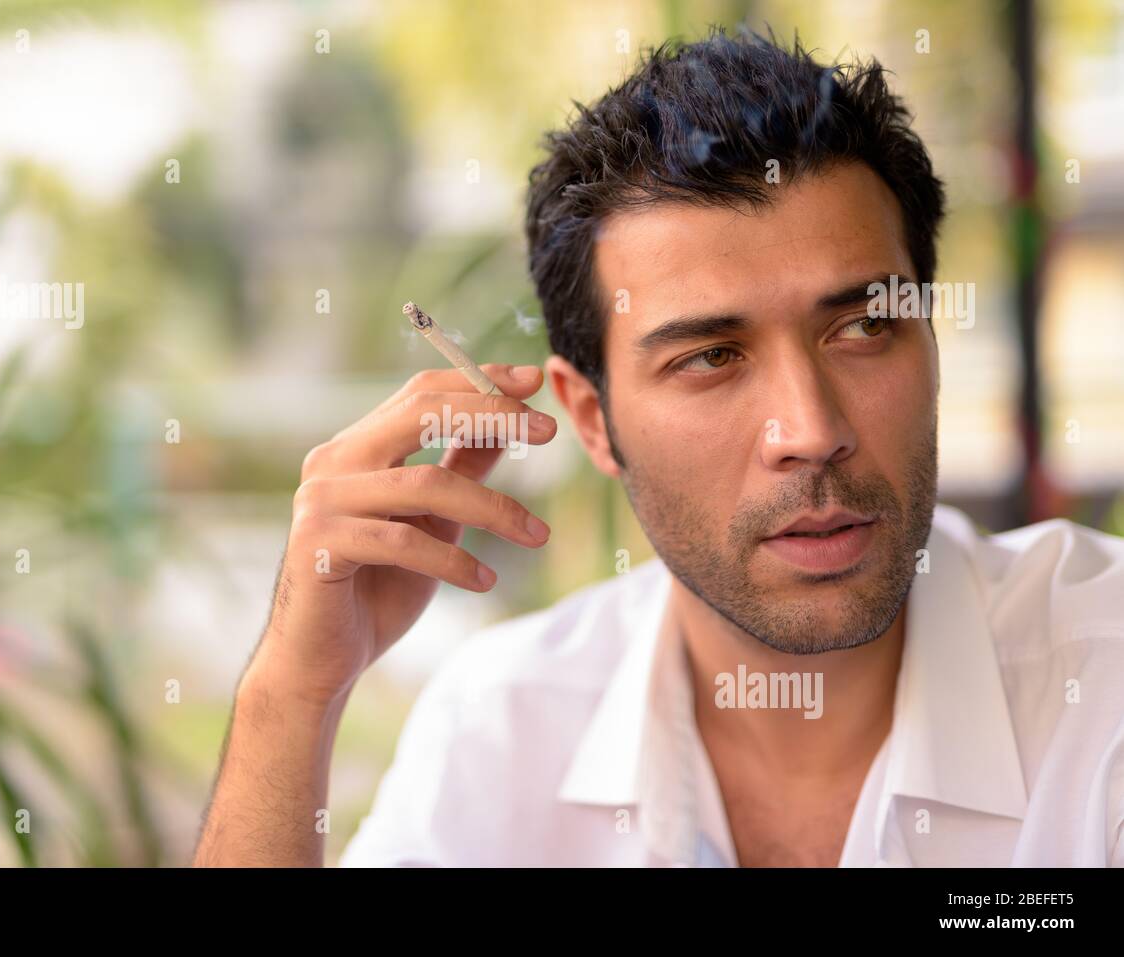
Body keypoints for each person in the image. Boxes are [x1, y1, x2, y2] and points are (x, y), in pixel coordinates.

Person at [193, 28, 1124, 867]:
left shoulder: (1102, 685)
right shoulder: (506, 727)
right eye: (712, 357)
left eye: (864, 328)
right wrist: (292, 696)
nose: (811, 431)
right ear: (592, 420)